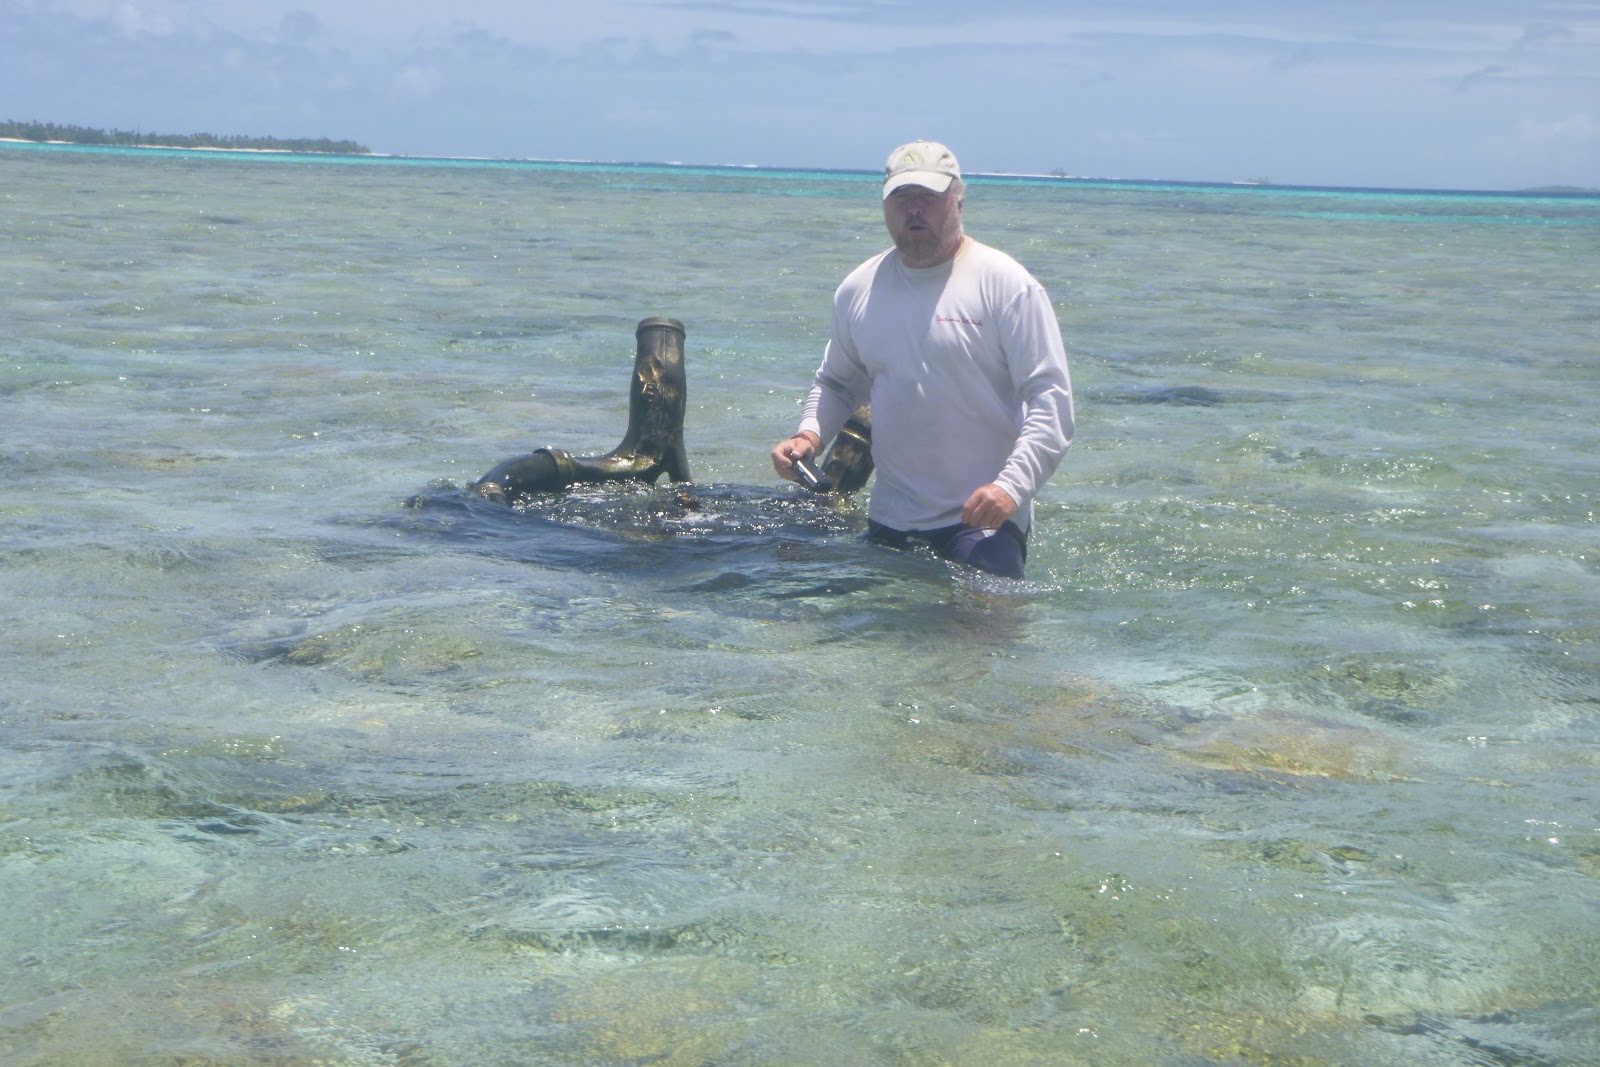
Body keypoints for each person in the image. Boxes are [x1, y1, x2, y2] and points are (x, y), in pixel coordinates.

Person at [770, 140, 1075, 579]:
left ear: (958, 199)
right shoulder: (858, 288)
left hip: (983, 520)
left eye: (928, 197)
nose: (914, 209)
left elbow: (1051, 400)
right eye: (901, 197)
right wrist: (809, 437)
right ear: (885, 205)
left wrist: (1012, 488)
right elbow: (837, 383)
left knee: (989, 635)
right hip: (890, 518)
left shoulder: (1007, 285)